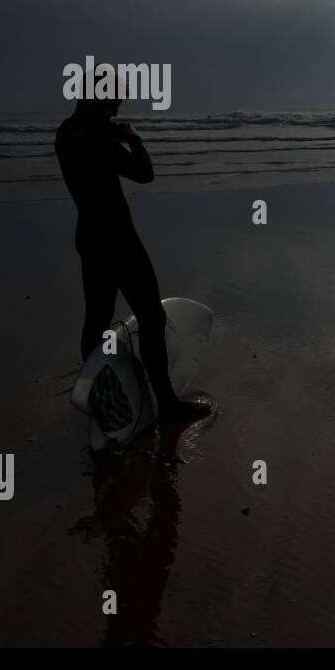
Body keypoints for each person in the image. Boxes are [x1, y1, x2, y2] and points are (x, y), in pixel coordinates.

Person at [56, 92, 210, 425]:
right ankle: (168, 405)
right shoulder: (97, 138)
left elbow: (91, 144)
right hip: (118, 240)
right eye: (112, 104)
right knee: (152, 318)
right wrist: (133, 138)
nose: (115, 110)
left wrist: (110, 131)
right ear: (97, 100)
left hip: (89, 236)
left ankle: (107, 400)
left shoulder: (66, 132)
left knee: (96, 320)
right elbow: (143, 173)